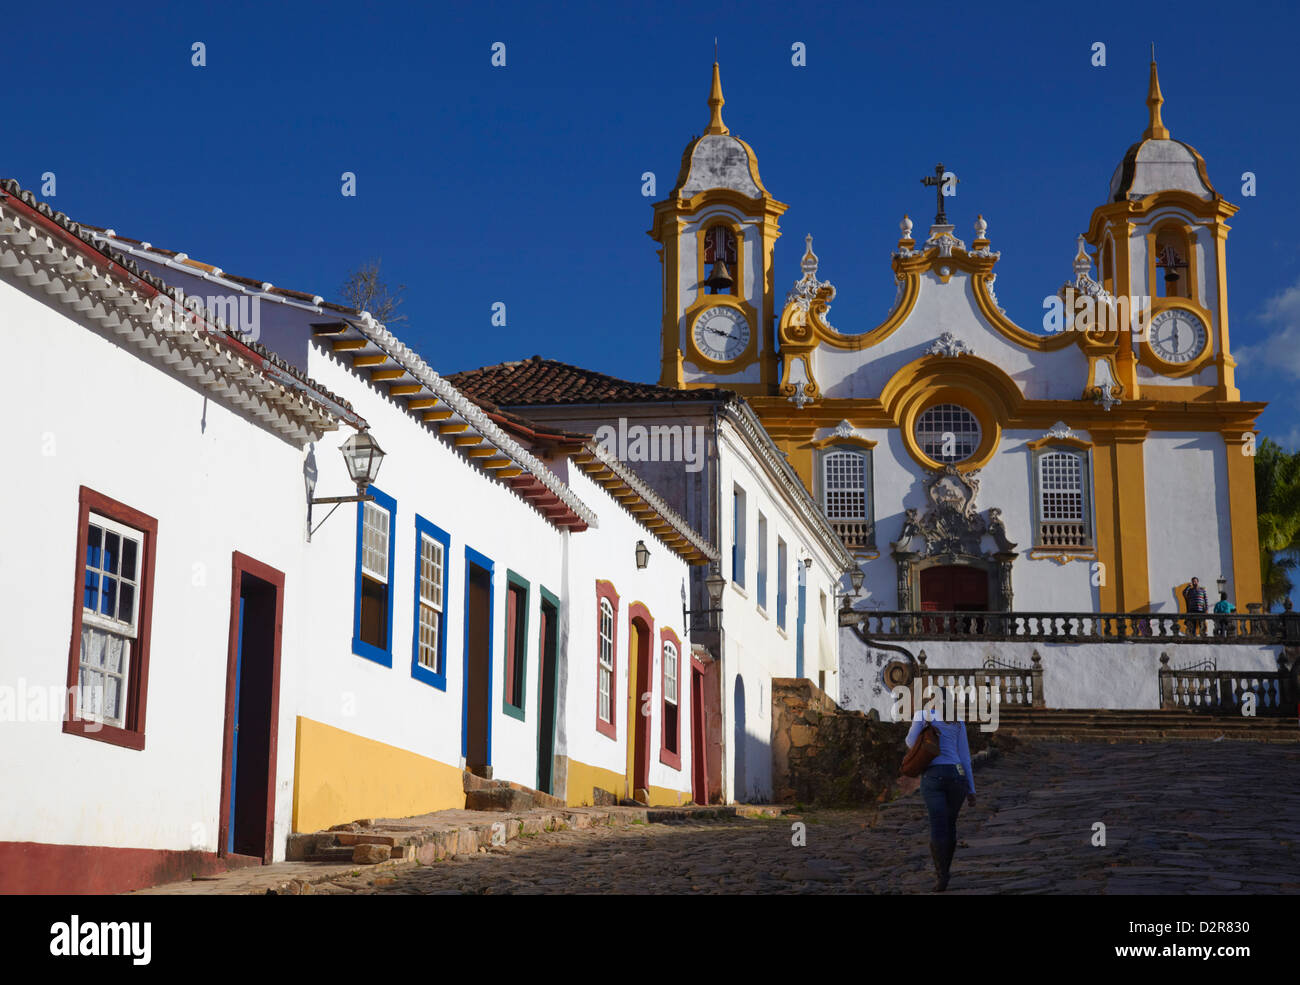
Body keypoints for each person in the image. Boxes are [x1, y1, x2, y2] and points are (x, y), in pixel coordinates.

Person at [906, 685, 976, 892]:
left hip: (934, 776)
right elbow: (965, 758)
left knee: (938, 825)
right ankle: (946, 868)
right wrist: (971, 789)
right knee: (950, 824)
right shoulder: (957, 722)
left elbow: (911, 742)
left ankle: (941, 875)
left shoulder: (923, 715)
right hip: (957, 776)